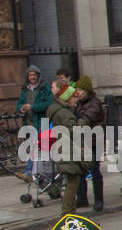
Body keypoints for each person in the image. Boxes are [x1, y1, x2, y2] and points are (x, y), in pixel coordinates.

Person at [45, 72, 89, 215]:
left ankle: (70, 212)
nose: (76, 100)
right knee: (72, 184)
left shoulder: (63, 111)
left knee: (72, 182)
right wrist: (82, 121)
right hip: (69, 150)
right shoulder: (64, 113)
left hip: (66, 148)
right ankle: (67, 213)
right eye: (74, 97)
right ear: (68, 98)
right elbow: (74, 131)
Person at [73, 77, 105, 214]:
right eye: (77, 90)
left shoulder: (94, 104)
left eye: (80, 90)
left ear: (87, 91)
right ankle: (82, 199)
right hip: (82, 141)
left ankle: (99, 200)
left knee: (94, 170)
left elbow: (85, 120)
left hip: (94, 141)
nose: (78, 92)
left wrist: (74, 112)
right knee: (81, 170)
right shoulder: (79, 103)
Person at [17, 65, 52, 133]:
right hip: (28, 123)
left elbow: (48, 103)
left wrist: (32, 107)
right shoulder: (25, 89)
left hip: (42, 122)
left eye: (34, 75)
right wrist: (21, 108)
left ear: (38, 76)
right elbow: (19, 104)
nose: (32, 77)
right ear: (27, 77)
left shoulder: (45, 87)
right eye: (30, 75)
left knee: (43, 143)